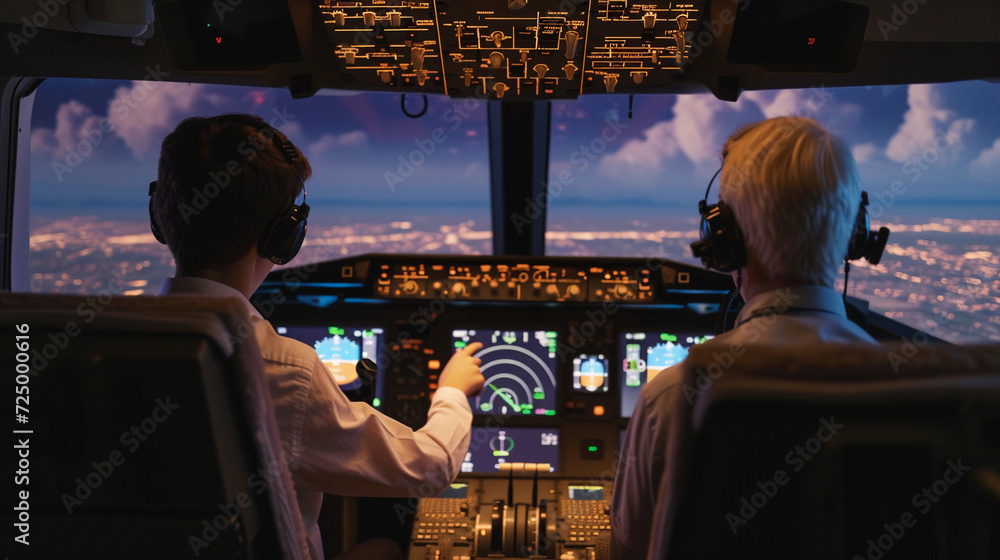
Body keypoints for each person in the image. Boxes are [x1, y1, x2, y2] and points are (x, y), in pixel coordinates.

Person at [149, 114, 485, 560]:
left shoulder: (100, 345)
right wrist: (452, 391)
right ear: (283, 237)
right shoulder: (282, 371)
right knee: (386, 548)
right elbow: (429, 467)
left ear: (160, 214)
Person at [610, 116, 876, 559]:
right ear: (854, 235)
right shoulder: (907, 390)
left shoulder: (676, 396)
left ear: (724, 241)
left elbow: (629, 553)